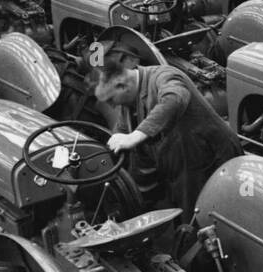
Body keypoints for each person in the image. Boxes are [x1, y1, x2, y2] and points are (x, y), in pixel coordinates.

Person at [91, 50, 241, 216]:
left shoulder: (164, 76)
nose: (112, 106)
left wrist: (134, 137)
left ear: (122, 86)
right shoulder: (128, 105)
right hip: (182, 167)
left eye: (111, 99)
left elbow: (174, 99)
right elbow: (119, 133)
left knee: (203, 221)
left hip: (211, 161)